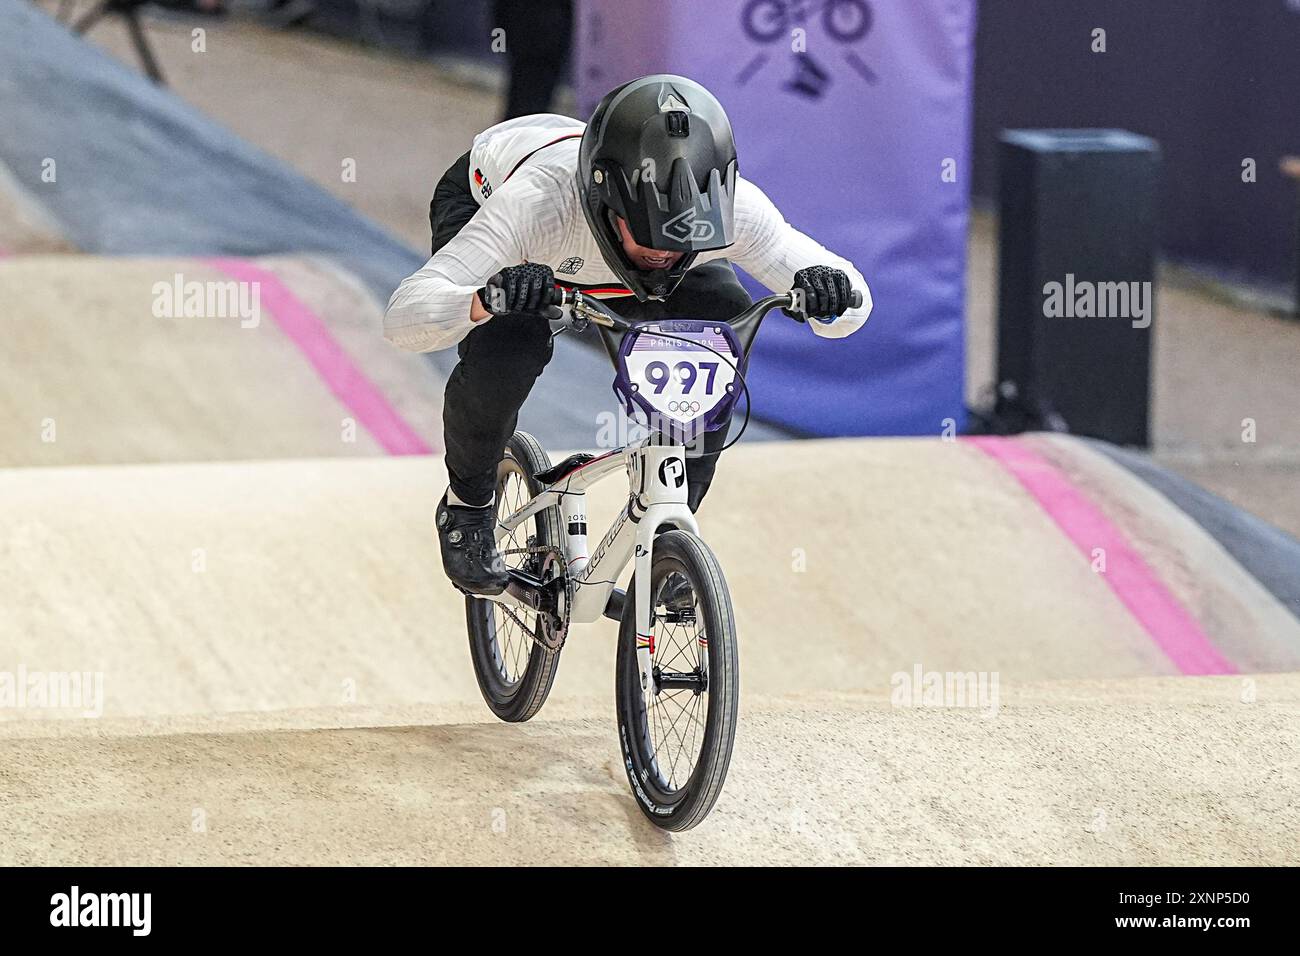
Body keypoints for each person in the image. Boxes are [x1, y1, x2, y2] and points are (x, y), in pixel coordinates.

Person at [385, 74, 872, 595]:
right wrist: (483, 301)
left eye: (682, 236)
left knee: (722, 319)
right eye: (648, 237)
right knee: (510, 346)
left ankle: (673, 526)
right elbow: (403, 319)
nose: (663, 254)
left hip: (582, 227)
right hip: (511, 222)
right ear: (607, 207)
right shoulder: (537, 206)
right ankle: (468, 505)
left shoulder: (736, 210)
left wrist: (828, 297)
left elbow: (854, 303)